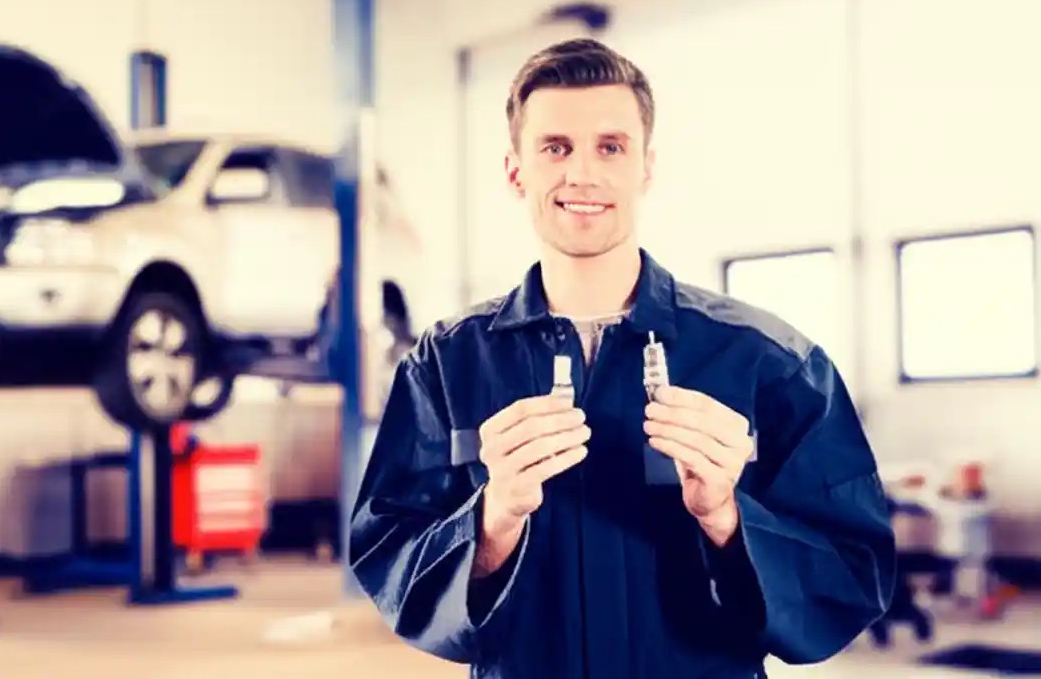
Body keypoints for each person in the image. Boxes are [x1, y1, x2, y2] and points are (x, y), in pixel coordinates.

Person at [347, 38, 896, 678]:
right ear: (515, 170)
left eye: (611, 147)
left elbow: (852, 575)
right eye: (556, 147)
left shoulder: (769, 362)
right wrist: (494, 517)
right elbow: (390, 560)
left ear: (646, 167)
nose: (583, 173)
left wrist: (726, 514)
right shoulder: (446, 365)